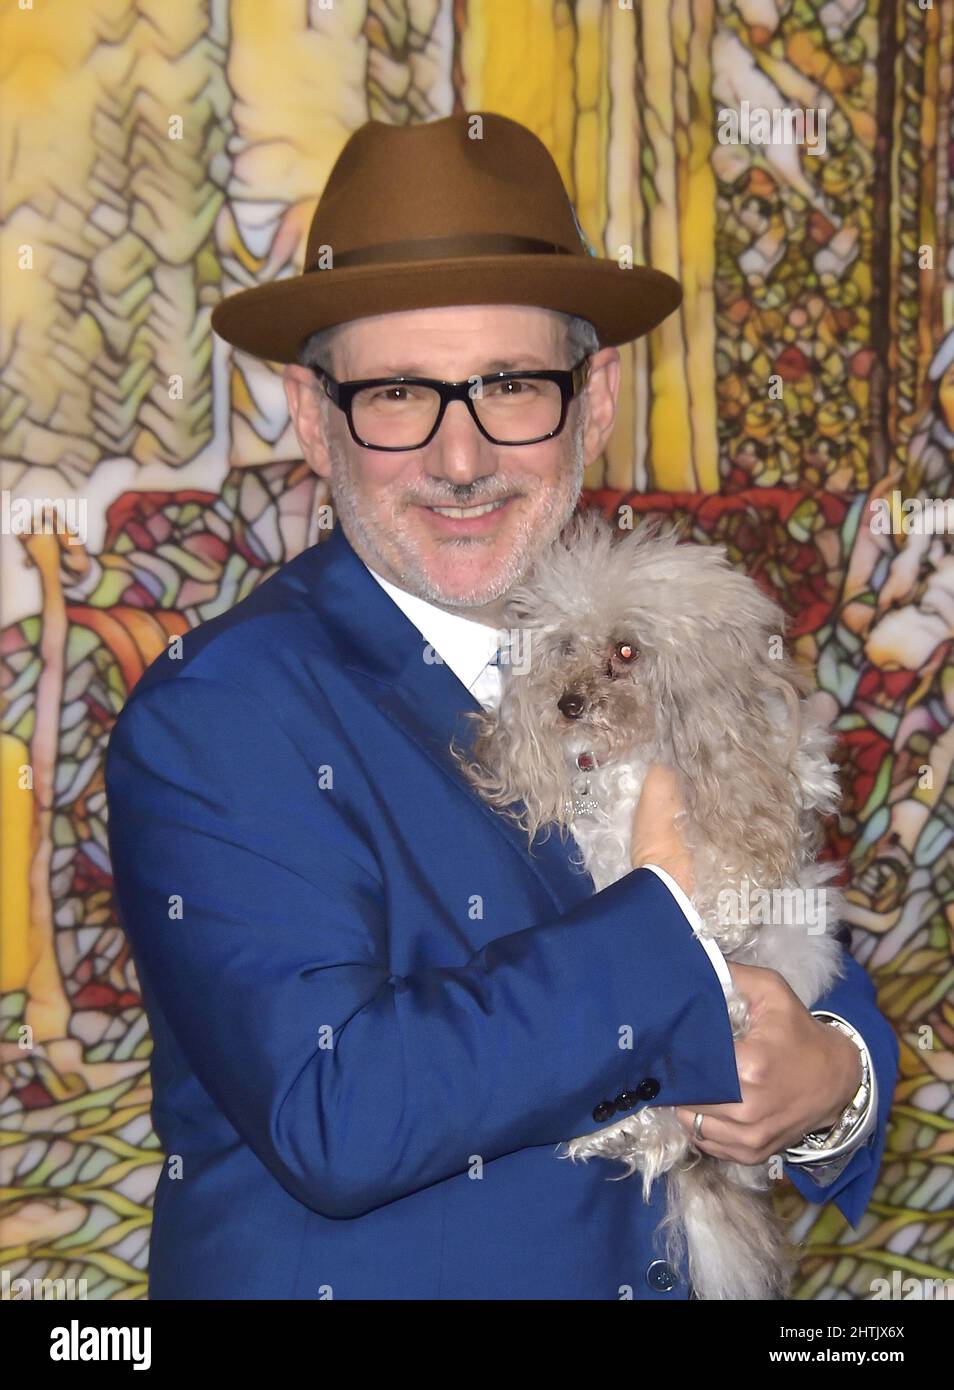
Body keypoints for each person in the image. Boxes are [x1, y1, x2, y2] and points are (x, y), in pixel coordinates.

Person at [105, 112, 898, 1300]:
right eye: (397, 395)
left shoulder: (666, 638)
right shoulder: (213, 716)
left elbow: (790, 936)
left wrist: (834, 1076)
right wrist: (665, 923)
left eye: (512, 386)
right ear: (313, 415)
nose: (462, 458)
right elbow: (340, 1107)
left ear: (597, 399)